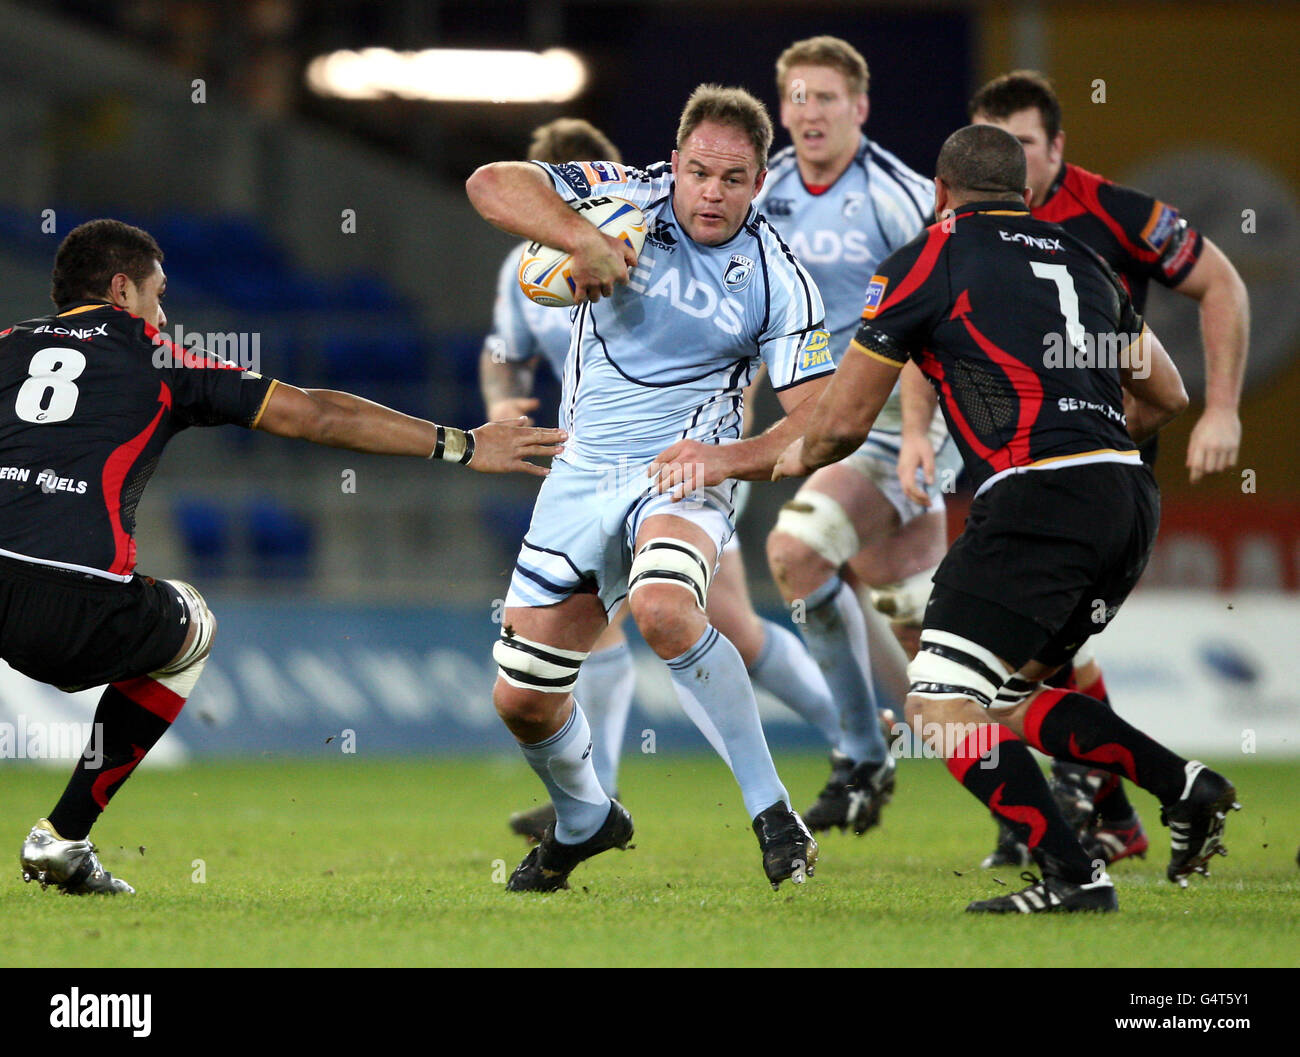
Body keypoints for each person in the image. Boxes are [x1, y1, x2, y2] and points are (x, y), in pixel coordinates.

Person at [8, 218, 565, 895]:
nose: (163, 311)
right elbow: (316, 415)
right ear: (122, 291)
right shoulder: (159, 355)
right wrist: (466, 445)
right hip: (78, 599)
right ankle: (65, 834)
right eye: (158, 295)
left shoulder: (7, 343)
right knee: (191, 629)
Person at [774, 124, 1238, 913]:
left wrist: (767, 456)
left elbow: (841, 426)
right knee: (1006, 699)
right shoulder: (1082, 258)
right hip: (1125, 499)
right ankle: (1186, 786)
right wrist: (1088, 447)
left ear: (940, 192)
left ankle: (1074, 875)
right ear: (1024, 194)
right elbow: (1168, 396)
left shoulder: (931, 253)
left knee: (939, 708)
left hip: (1037, 501)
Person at [466, 84, 835, 891]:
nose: (712, 191)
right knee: (521, 700)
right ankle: (587, 819)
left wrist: (724, 460)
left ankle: (775, 812)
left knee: (668, 608)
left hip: (679, 473)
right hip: (580, 470)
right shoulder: (623, 194)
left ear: (759, 184)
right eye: (699, 171)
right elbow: (489, 184)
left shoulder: (778, 279)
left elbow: (816, 426)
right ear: (674, 165)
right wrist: (581, 240)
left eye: (733, 178)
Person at [966, 70, 1249, 867]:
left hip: (1096, 470)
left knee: (999, 674)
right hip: (1011, 465)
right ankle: (1113, 810)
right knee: (1042, 662)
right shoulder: (967, 219)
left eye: (1023, 145)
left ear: (1059, 145)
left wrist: (1221, 406)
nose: (1009, 164)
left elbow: (1221, 281)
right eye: (995, 147)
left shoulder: (1116, 214)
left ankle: (1086, 812)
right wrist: (920, 434)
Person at [756, 36, 958, 835]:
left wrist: (916, 433)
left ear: (860, 108)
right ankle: (1054, 797)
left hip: (903, 415)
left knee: (796, 550)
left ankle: (860, 750)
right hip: (824, 422)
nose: (809, 112)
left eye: (826, 98)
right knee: (926, 631)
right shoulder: (761, 189)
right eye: (796, 98)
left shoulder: (898, 195)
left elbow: (928, 326)